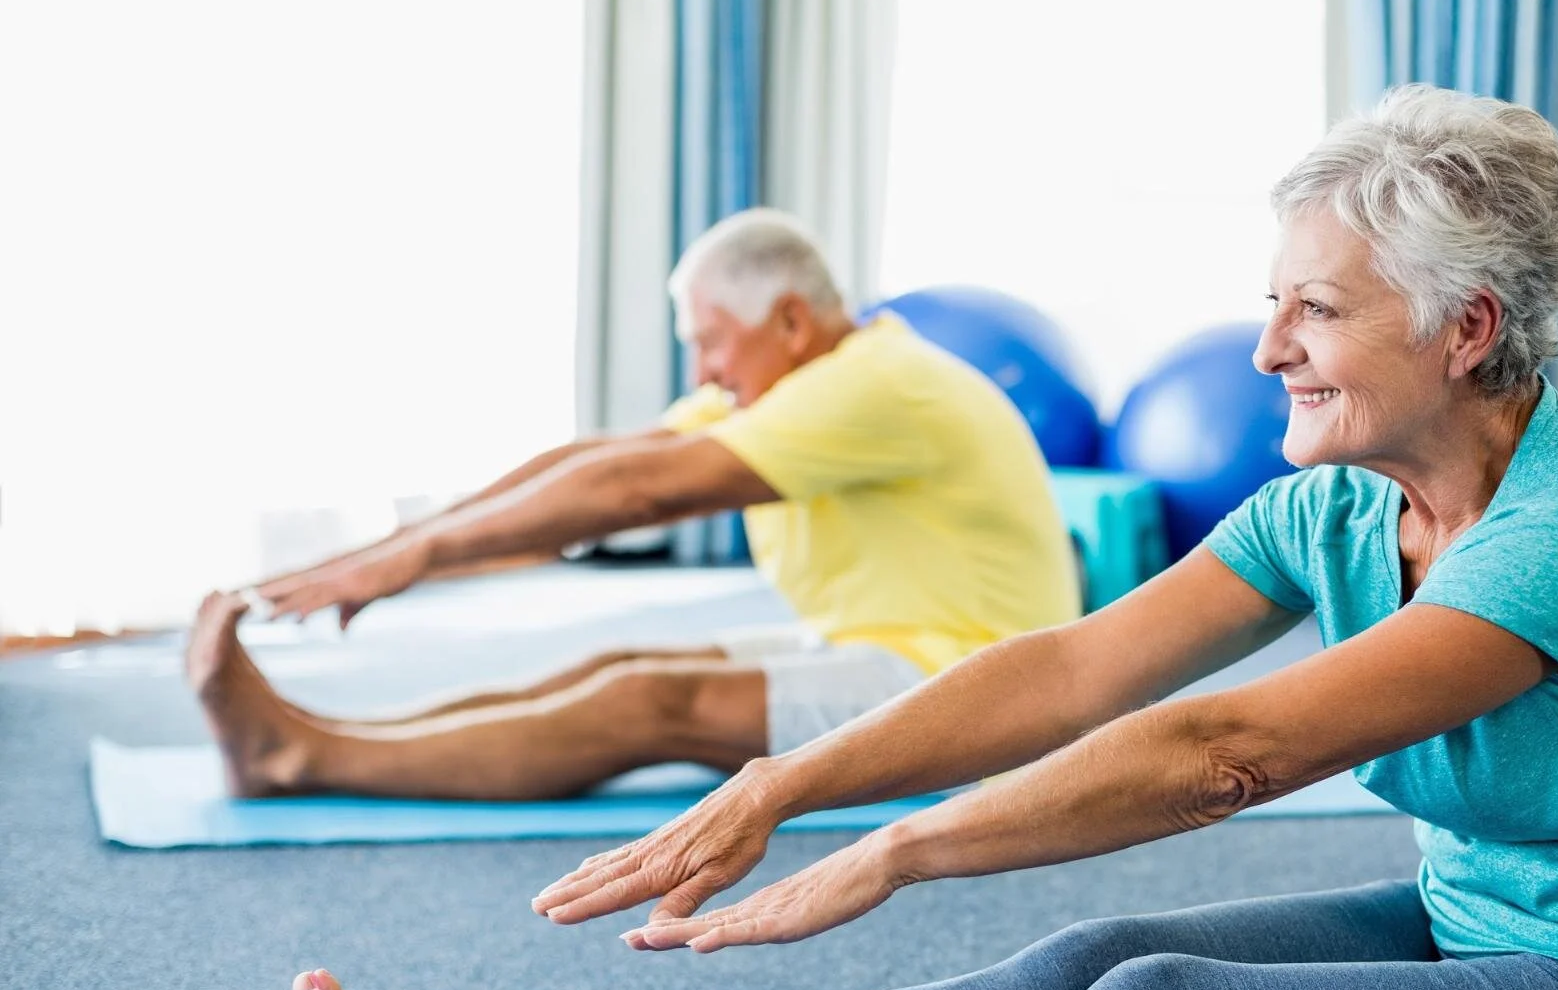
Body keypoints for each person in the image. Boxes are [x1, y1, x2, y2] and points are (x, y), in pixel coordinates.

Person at [288, 86, 1558, 990]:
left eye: (1314, 308)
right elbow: (1080, 666)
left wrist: (899, 847)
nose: (1265, 346)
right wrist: (790, 782)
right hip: (1481, 933)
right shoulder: (1335, 504)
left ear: (1465, 327)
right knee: (1088, 959)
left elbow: (1224, 752)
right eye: (1268, 297)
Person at [185, 209, 1080, 800]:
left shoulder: (877, 385)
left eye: (711, 345)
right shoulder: (802, 382)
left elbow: (633, 494)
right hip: (894, 650)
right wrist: (401, 540)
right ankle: (322, 733)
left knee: (648, 700)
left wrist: (412, 561)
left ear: (791, 323)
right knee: (617, 659)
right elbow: (602, 460)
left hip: (975, 691)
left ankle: (298, 758)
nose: (701, 374)